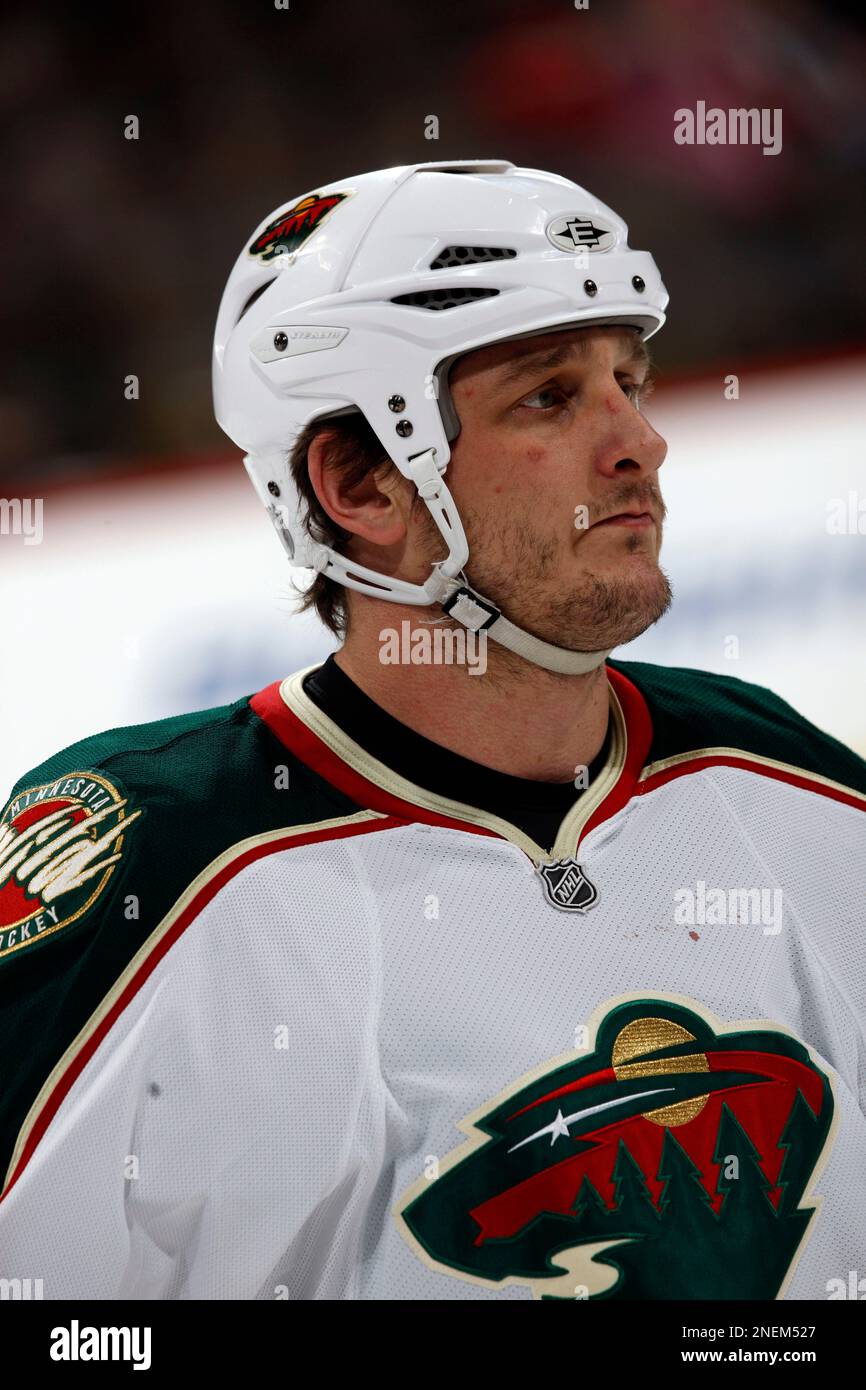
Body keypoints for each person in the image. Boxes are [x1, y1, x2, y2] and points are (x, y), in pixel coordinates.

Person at [1, 160, 864, 1301]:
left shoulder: (787, 779)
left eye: (628, 380)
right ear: (361, 487)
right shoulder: (150, 857)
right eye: (548, 397)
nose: (639, 444)